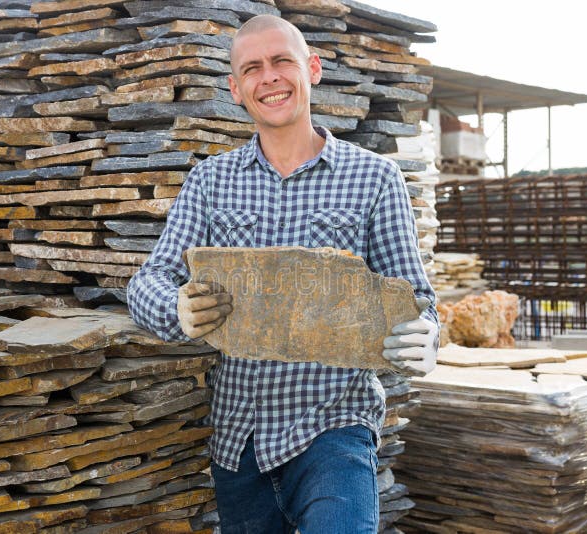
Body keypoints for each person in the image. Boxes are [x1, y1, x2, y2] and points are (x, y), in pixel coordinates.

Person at [127, 14, 439, 534]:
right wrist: (175, 307)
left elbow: (416, 297)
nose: (269, 77)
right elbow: (148, 280)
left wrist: (426, 334)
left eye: (281, 62)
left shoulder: (374, 178)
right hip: (239, 437)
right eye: (252, 68)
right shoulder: (210, 182)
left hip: (335, 427)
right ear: (236, 89)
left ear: (311, 69)